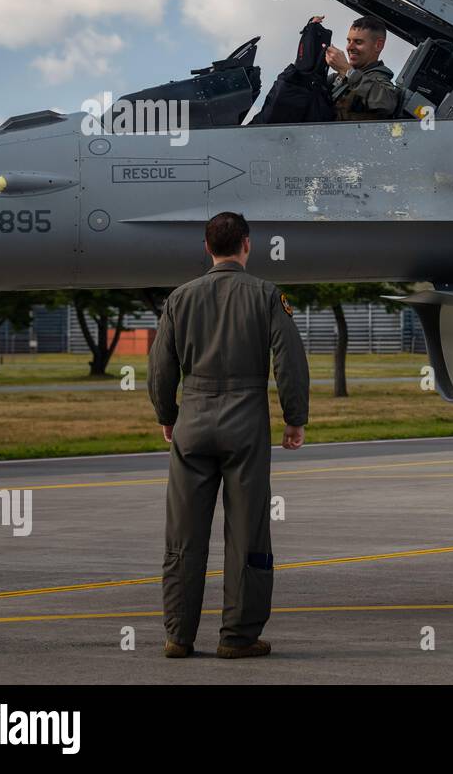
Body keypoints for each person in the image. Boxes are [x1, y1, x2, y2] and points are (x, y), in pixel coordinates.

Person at [148, 211, 310, 659]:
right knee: (248, 533)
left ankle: (178, 637)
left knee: (183, 535)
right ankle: (238, 637)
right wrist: (294, 418)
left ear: (206, 247)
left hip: (193, 423)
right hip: (245, 424)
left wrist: (167, 414)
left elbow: (161, 366)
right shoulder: (266, 295)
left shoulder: (180, 299)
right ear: (247, 245)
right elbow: (290, 361)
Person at [312, 14, 400, 121]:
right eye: (349, 41)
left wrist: (347, 71)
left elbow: (387, 103)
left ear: (378, 45)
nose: (349, 47)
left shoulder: (377, 79)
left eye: (358, 42)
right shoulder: (338, 79)